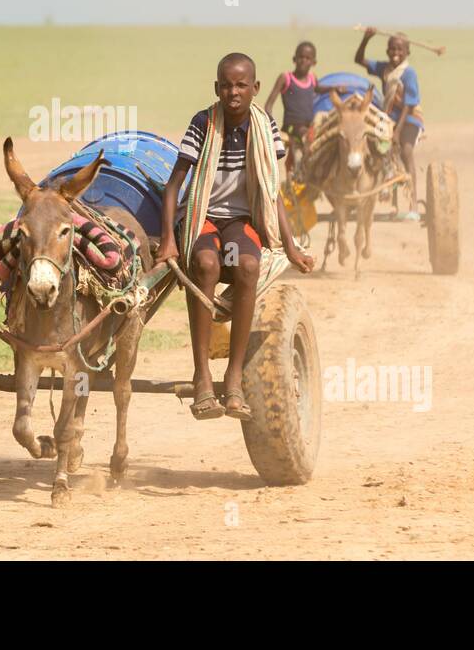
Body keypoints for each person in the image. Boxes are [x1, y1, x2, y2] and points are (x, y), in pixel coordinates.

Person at [155, 53, 315, 422]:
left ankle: (234, 377)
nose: (233, 92)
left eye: (242, 84)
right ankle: (202, 377)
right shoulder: (203, 123)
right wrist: (168, 239)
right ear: (216, 88)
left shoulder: (264, 126)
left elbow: (271, 191)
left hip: (241, 221)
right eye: (226, 85)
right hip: (204, 219)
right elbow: (173, 186)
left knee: (247, 265)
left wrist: (291, 248)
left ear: (256, 88)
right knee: (206, 264)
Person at [354, 27, 424, 220]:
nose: (395, 53)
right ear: (387, 51)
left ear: (407, 52)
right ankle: (393, 206)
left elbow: (409, 105)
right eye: (392, 49)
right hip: (389, 121)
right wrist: (366, 39)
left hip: (408, 120)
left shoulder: (408, 74)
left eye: (400, 50)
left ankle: (414, 205)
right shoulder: (384, 69)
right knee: (387, 157)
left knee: (406, 152)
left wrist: (397, 132)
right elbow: (359, 60)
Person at [264, 41, 319, 180]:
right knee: (304, 137)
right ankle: (299, 173)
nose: (303, 61)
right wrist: (271, 128)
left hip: (308, 127)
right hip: (291, 127)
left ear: (314, 62)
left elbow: (319, 90)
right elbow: (268, 105)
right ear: (294, 59)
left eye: (308, 58)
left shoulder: (313, 79)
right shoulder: (286, 78)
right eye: (301, 57)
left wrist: (335, 89)